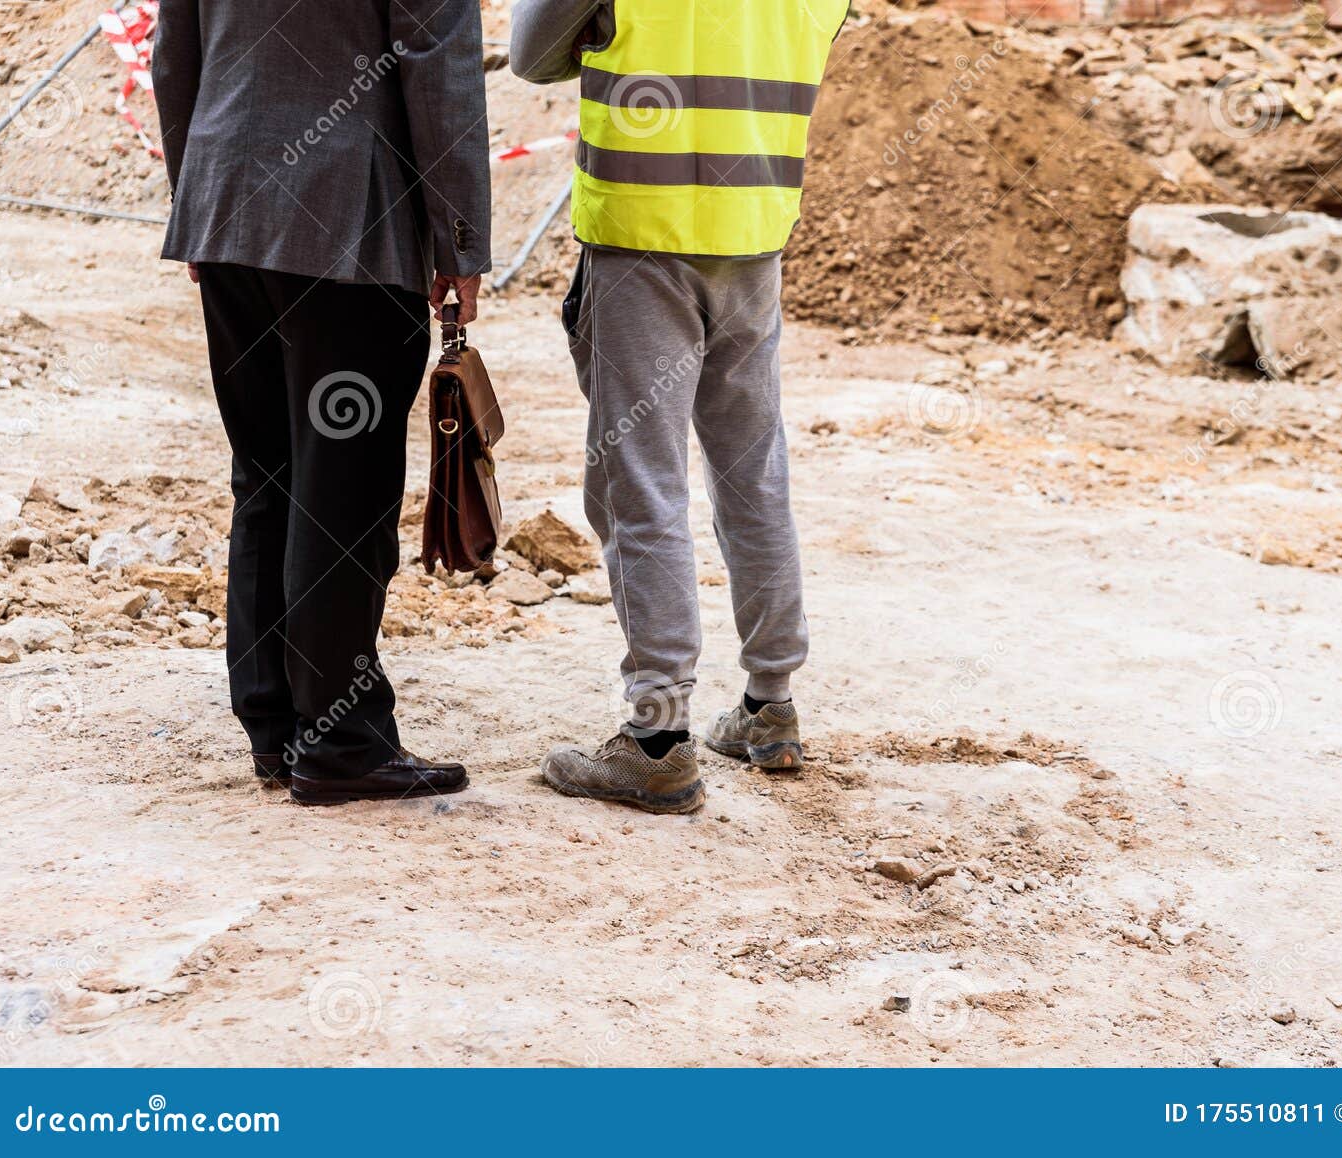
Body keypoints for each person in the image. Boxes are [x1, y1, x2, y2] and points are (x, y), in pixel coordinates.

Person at [511, 0, 849, 814]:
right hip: (754, 238)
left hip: (642, 237)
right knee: (751, 470)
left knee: (641, 482)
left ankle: (657, 740)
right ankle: (771, 706)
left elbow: (531, 54)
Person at [152, 1, 491, 805]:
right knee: (346, 493)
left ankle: (276, 729)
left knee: (266, 475)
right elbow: (437, 65)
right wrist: (458, 238)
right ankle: (340, 743)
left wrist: (194, 195)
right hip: (350, 216)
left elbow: (174, 56)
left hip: (229, 200)